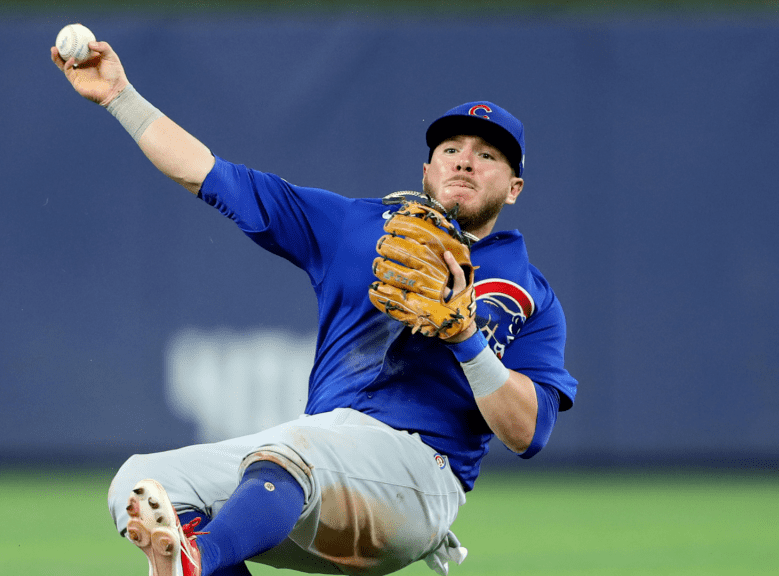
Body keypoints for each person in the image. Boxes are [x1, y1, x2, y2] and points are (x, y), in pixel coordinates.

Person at [51, 36, 577, 576]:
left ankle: (198, 559)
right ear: (426, 171)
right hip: (317, 470)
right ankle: (196, 560)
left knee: (291, 451)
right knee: (142, 486)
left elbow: (526, 433)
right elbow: (207, 173)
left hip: (419, 475)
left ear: (513, 188)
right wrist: (120, 96)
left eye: (487, 155)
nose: (465, 162)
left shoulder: (530, 295)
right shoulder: (355, 227)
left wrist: (465, 336)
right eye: (451, 150)